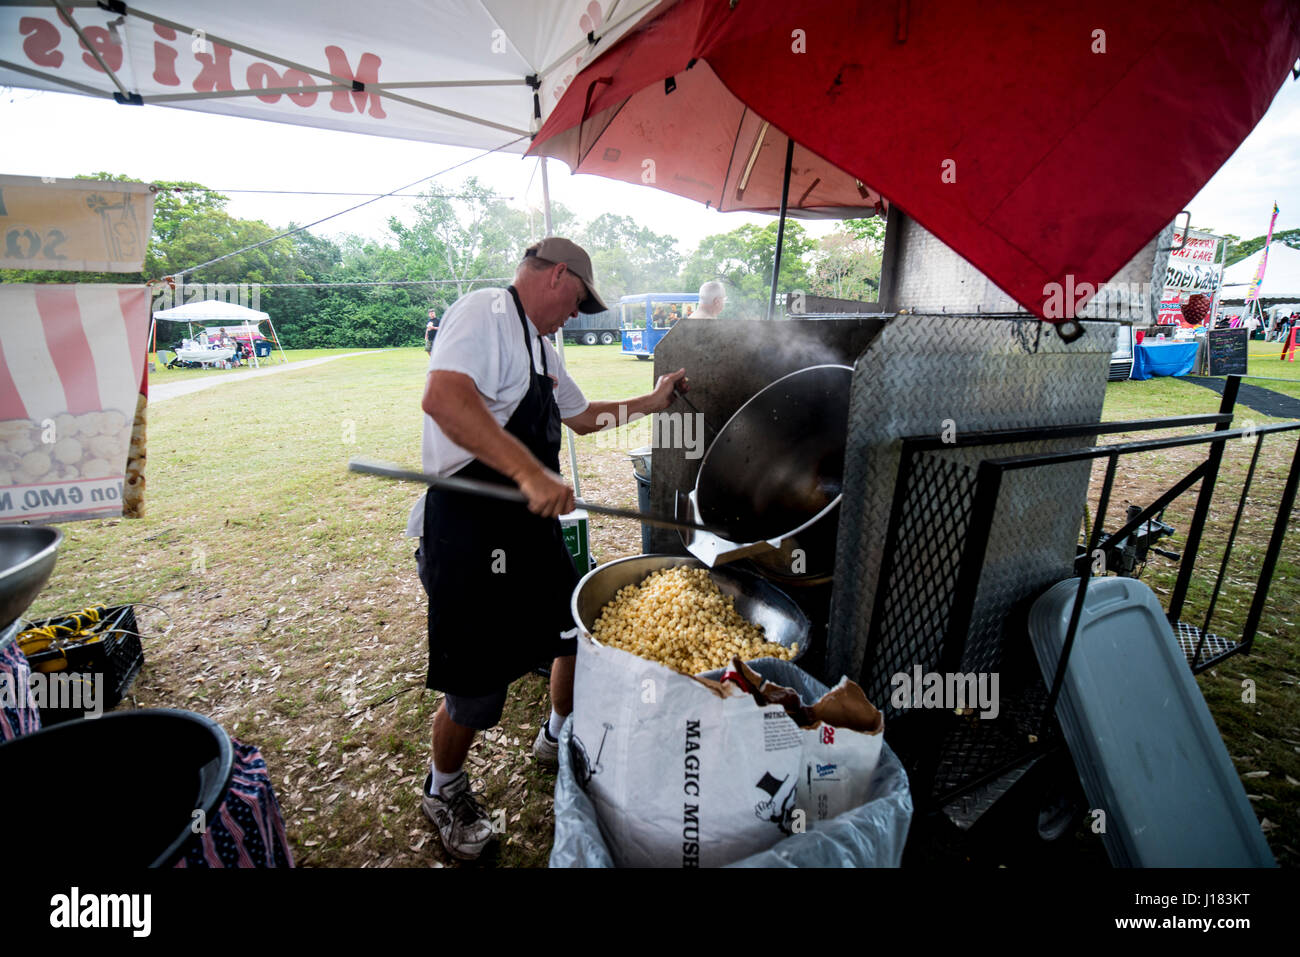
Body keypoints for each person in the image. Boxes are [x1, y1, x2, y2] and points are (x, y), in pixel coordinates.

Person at [406, 237, 688, 861]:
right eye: (579, 303)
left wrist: (651, 402)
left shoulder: (543, 349)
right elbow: (445, 400)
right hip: (467, 527)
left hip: (525, 526)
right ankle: (442, 787)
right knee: (477, 685)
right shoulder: (487, 313)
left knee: (571, 630)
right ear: (557, 276)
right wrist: (530, 473)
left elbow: (584, 419)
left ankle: (558, 737)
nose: (576, 317)